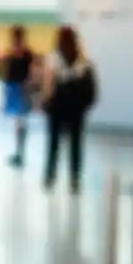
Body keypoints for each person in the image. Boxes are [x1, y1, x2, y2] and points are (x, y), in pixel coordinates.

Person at [41, 25, 97, 194]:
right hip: (77, 110)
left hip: (57, 109)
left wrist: (46, 103)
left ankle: (50, 178)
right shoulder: (83, 62)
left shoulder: (53, 60)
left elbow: (48, 86)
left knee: (53, 144)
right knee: (76, 145)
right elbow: (91, 90)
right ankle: (74, 180)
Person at [1, 25, 37, 167]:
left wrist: (27, 86)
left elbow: (32, 73)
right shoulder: (10, 54)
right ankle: (18, 153)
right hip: (13, 91)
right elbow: (7, 73)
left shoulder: (27, 54)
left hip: (22, 91)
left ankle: (21, 153)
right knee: (18, 123)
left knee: (21, 122)